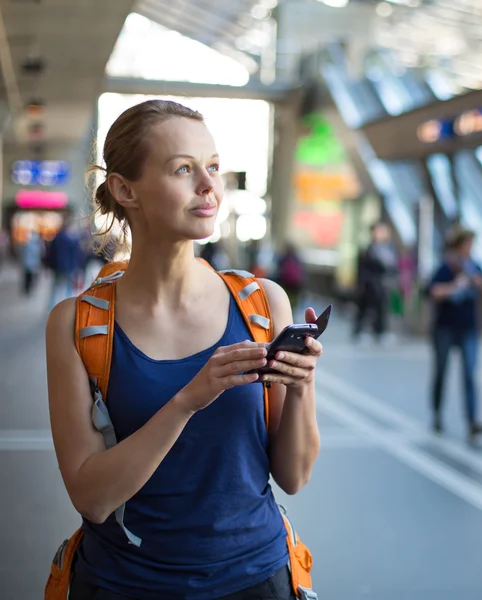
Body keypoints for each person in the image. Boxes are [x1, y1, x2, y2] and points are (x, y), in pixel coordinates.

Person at [45, 100, 322, 600]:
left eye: (212, 167)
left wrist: (301, 387)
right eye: (183, 169)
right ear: (125, 189)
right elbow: (92, 497)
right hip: (122, 586)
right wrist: (187, 401)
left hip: (256, 579)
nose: (209, 185)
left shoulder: (262, 303)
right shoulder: (78, 324)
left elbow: (294, 475)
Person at [428, 228, 482, 438]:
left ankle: (472, 420)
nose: (469, 250)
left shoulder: (475, 268)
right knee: (441, 372)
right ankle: (437, 413)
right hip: (445, 327)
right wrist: (454, 286)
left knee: (470, 374)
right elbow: (433, 291)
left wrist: (478, 283)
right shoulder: (447, 268)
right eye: (466, 245)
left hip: (468, 327)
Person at [353, 222, 398, 342]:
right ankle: (360, 331)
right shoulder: (369, 249)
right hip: (370, 285)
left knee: (382, 309)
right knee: (366, 309)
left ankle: (380, 332)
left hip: (384, 285)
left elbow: (393, 267)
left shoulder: (389, 248)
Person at [20, 229, 43, 295]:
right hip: (31, 263)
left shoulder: (28, 244)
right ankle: (28, 288)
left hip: (28, 263)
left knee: (28, 277)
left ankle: (27, 288)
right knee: (29, 277)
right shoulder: (34, 244)